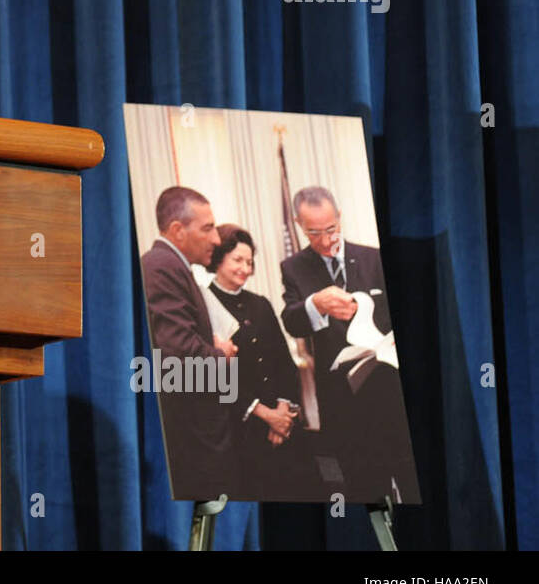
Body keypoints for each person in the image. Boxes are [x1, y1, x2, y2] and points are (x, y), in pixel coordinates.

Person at [279, 186, 417, 502]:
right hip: (340, 399)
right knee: (360, 482)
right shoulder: (294, 268)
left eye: (331, 229)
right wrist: (316, 304)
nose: (326, 241)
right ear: (299, 224)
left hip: (388, 391)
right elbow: (291, 321)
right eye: (314, 233)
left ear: (339, 218)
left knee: (407, 477)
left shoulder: (373, 258)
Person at [140, 186, 239, 500]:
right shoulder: (162, 267)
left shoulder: (173, 267)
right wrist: (220, 353)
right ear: (177, 230)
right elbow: (179, 355)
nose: (216, 239)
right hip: (192, 440)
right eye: (207, 228)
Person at [202, 224, 315, 500]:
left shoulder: (261, 304)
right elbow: (212, 377)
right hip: (240, 431)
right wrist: (267, 416)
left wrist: (283, 412)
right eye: (237, 260)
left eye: (250, 262)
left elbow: (284, 363)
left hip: (282, 428)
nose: (245, 268)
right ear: (218, 259)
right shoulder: (203, 306)